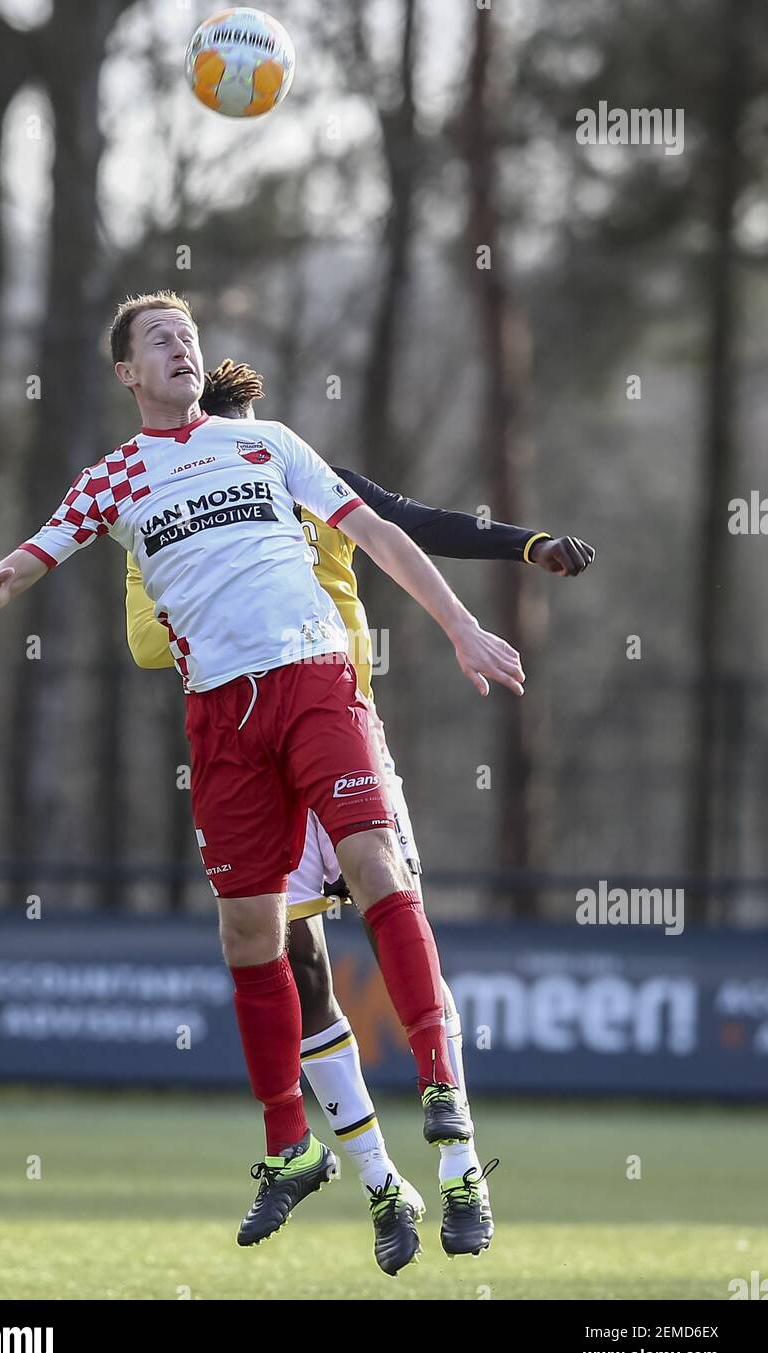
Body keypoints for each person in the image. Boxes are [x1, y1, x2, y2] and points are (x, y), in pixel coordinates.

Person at [0, 289, 527, 1274]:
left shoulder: (267, 446)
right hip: (223, 721)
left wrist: (461, 623)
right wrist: (0, 576)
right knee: (262, 941)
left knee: (380, 871)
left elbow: (390, 528)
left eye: (189, 335)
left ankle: (456, 1141)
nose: (180, 348)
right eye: (157, 340)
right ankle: (347, 1170)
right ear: (127, 373)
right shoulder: (120, 481)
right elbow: (46, 549)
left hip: (319, 690)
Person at [126, 357, 594, 1272]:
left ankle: (461, 1163)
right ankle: (383, 1183)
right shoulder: (158, 516)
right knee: (295, 968)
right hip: (247, 741)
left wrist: (527, 543)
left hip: (338, 727)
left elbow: (416, 525)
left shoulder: (302, 473)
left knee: (386, 896)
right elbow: (144, 636)